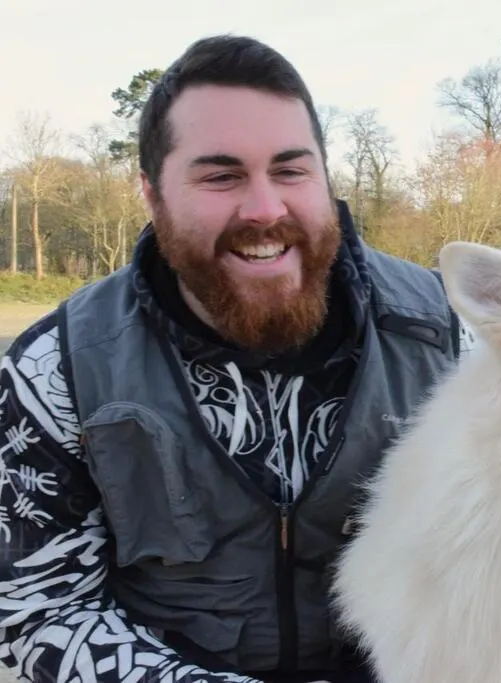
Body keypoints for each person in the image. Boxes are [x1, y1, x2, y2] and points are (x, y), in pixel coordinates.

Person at [0, 35, 476, 683]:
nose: (264, 209)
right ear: (151, 192)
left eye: (290, 169)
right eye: (221, 175)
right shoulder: (56, 370)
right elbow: (41, 608)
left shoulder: (454, 339)